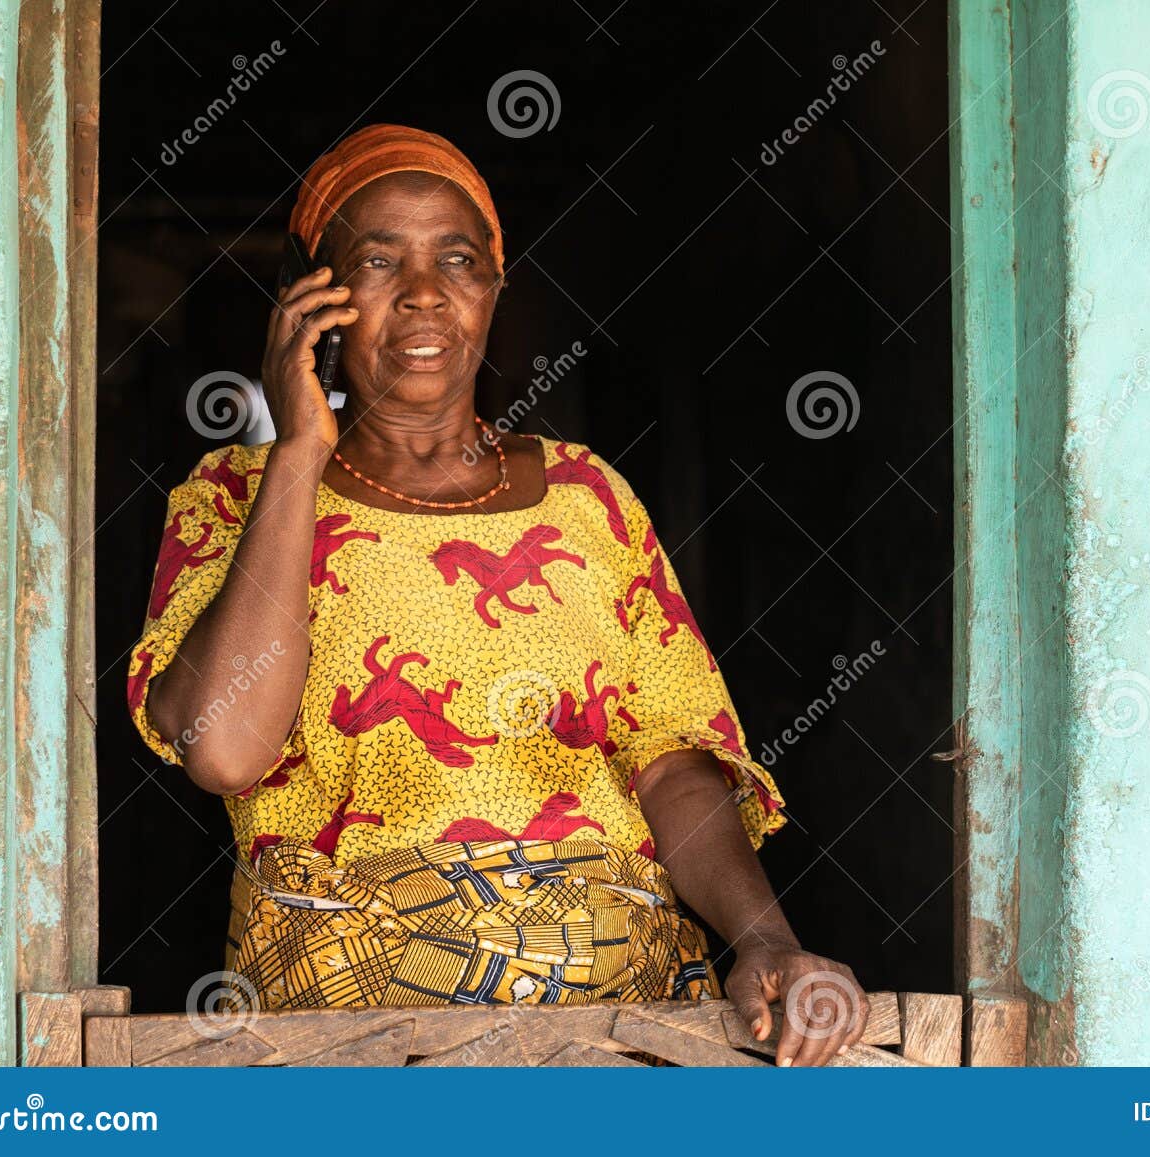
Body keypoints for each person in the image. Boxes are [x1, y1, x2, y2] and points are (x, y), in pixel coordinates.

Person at [127, 124, 867, 1065]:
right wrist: (300, 453)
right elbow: (227, 750)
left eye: (459, 260)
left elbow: (672, 760)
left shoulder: (588, 497)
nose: (426, 292)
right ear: (313, 300)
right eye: (378, 261)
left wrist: (766, 937)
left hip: (619, 1035)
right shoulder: (236, 498)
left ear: (493, 292)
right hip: (348, 1040)